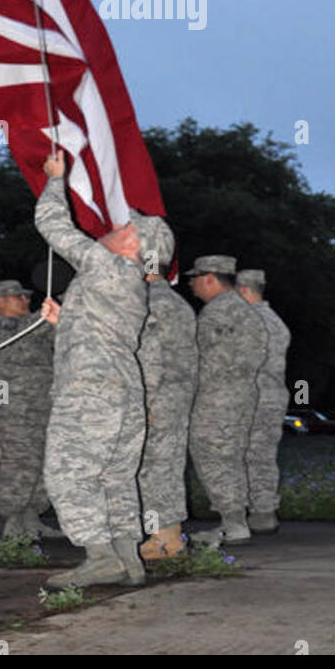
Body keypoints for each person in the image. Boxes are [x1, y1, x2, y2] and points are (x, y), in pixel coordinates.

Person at [35, 150, 175, 589]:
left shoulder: (107, 265)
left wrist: (56, 180)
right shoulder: (129, 284)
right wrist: (66, 322)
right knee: (115, 477)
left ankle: (99, 556)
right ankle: (127, 558)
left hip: (92, 391)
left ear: (135, 246)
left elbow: (53, 227)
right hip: (122, 391)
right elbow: (101, 334)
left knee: (68, 470)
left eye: (126, 227)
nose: (117, 226)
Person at [187, 256, 268, 545]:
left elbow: (200, 361)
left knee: (215, 458)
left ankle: (233, 524)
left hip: (216, 399)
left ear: (210, 278)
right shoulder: (246, 312)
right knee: (230, 458)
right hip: (240, 396)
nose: (191, 284)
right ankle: (233, 521)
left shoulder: (217, 313)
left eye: (195, 277)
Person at [0, 278, 61, 540]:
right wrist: (47, 313)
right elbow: (23, 335)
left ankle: (32, 517)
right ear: (0, 301)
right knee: (18, 460)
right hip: (14, 406)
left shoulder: (36, 325)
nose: (26, 300)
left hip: (43, 403)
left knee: (42, 461)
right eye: (19, 297)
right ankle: (15, 520)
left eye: (27, 296)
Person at [136, 235, 197, 560]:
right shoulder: (180, 304)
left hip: (155, 396)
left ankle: (158, 538)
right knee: (170, 466)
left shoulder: (146, 302)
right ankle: (171, 537)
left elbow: (149, 354)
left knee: (151, 469)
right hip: (178, 397)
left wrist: (143, 399)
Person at [235, 268, 290, 534]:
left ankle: (258, 512)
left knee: (250, 456)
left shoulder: (252, 321)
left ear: (244, 291)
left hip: (255, 395)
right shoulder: (274, 320)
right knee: (263, 456)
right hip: (271, 395)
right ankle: (264, 511)